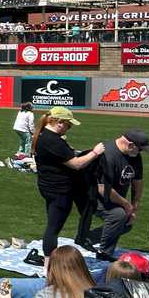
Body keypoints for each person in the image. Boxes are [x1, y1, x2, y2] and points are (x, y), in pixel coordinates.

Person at [34, 107, 105, 258]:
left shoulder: (44, 135)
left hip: (49, 186)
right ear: (59, 122)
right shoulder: (52, 140)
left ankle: (50, 262)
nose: (69, 128)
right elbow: (76, 164)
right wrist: (95, 152)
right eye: (68, 125)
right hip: (59, 189)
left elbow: (63, 157)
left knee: (53, 224)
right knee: (53, 228)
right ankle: (50, 264)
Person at [92, 129, 147, 260]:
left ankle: (88, 237)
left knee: (127, 222)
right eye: (140, 149)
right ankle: (104, 253)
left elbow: (137, 182)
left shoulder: (134, 156)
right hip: (94, 197)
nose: (141, 153)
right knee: (118, 215)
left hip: (114, 199)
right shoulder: (108, 155)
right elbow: (102, 187)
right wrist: (126, 205)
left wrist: (134, 207)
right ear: (131, 145)